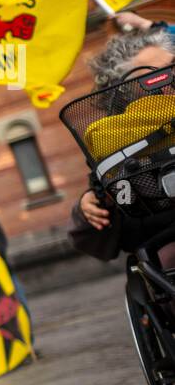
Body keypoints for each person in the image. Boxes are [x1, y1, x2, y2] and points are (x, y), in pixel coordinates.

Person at [71, 27, 175, 261]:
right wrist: (93, 204)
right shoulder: (113, 142)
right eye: (154, 78)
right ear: (126, 94)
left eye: (173, 67)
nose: (170, 80)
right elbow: (104, 236)